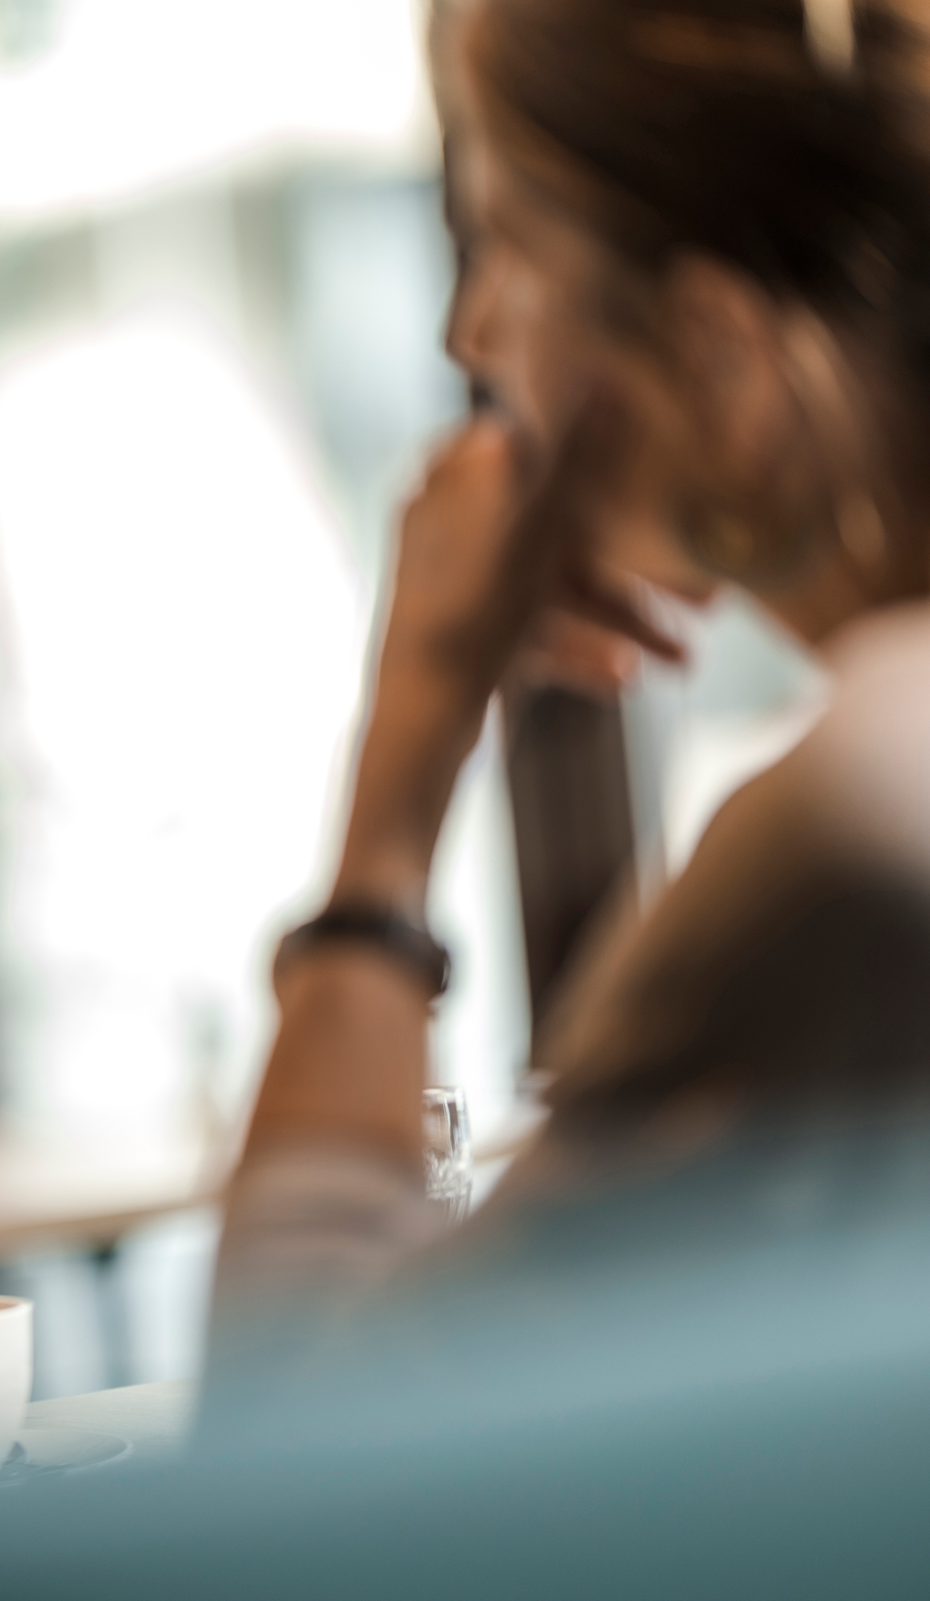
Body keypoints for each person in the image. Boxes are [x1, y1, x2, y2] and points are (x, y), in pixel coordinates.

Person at [209, 0, 930, 1426]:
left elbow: (300, 1468)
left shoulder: (859, 823)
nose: (465, 328)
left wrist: (404, 763)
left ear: (718, 347)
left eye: (503, 248)